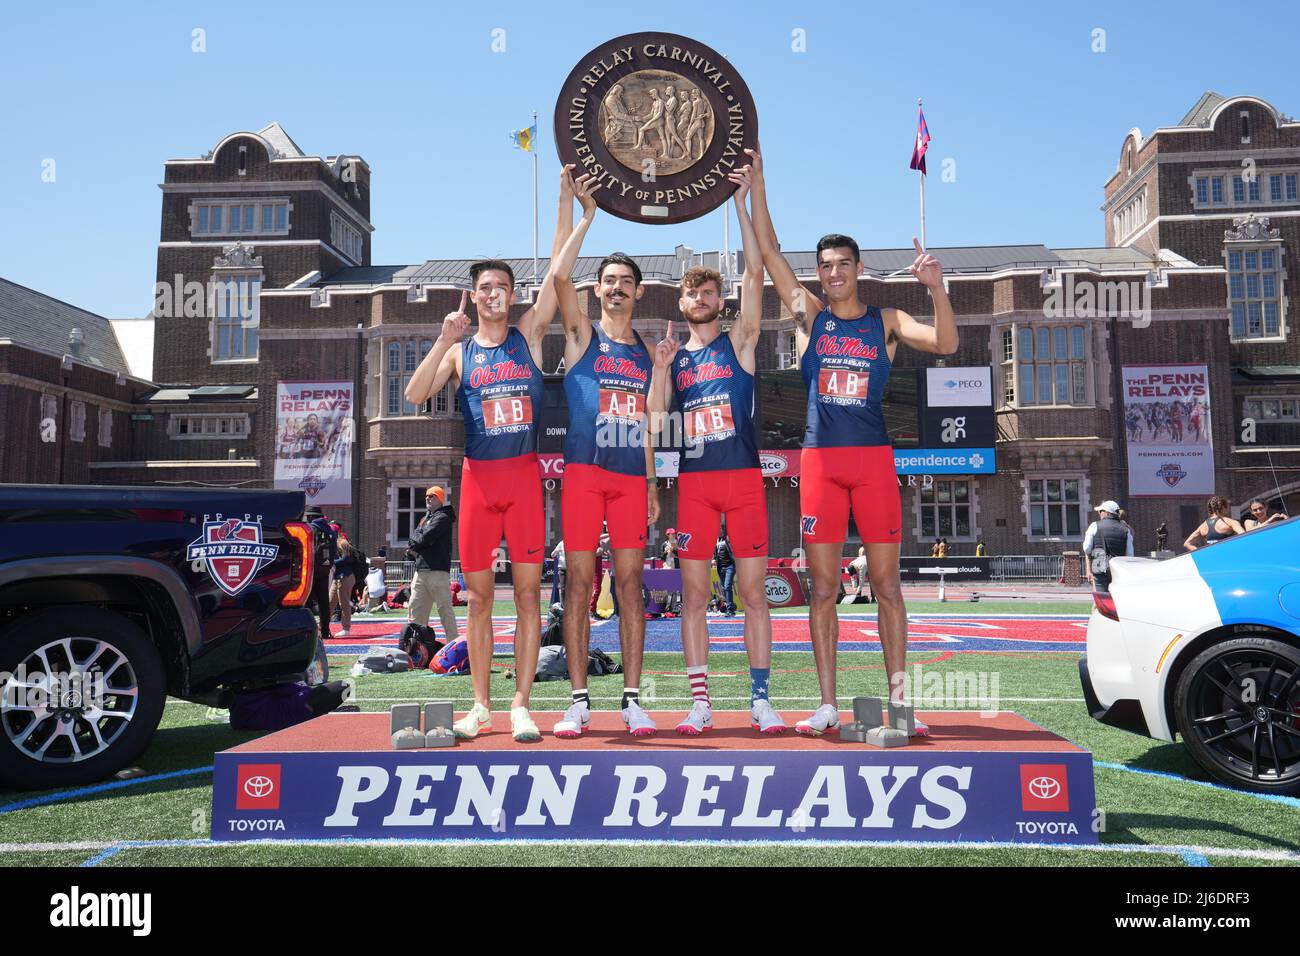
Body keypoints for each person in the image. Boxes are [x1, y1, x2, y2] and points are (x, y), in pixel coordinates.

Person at [748, 146, 956, 738]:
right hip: (820, 463)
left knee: (887, 586)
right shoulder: (812, 318)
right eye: (825, 265)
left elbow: (943, 344)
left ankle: (899, 704)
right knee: (824, 589)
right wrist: (759, 183)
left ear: (858, 269)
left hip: (871, 463)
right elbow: (767, 250)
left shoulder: (885, 321)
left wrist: (937, 290)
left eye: (842, 264)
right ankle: (828, 705)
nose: (832, 272)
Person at [404, 165, 598, 742]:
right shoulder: (462, 353)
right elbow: (416, 395)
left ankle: (520, 705)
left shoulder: (529, 335)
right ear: (473, 294)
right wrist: (442, 337)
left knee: (532, 596)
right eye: (485, 288)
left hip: (523, 481)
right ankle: (481, 706)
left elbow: (559, 270)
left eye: (502, 288)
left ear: (512, 296)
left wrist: (578, 211)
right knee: (482, 600)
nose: (494, 295)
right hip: (479, 484)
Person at [647, 162, 783, 736]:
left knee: (754, 594)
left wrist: (739, 201)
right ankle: (700, 703)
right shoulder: (672, 358)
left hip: (744, 480)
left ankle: (759, 700)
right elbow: (654, 419)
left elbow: (756, 271)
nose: (699, 297)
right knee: (695, 595)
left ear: (718, 300)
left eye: (707, 291)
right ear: (681, 302)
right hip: (696, 486)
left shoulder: (741, 342)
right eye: (691, 291)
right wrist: (658, 369)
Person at [551, 215, 660, 741]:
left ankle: (633, 700)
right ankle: (578, 701)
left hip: (629, 481)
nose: (616, 289)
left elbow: (647, 426)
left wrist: (654, 483)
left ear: (638, 292)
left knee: (631, 586)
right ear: (597, 290)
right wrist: (582, 217)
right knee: (578, 585)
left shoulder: (645, 352)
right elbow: (556, 279)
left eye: (625, 282)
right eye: (608, 281)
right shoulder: (581, 335)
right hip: (583, 474)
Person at [406, 486, 459, 641]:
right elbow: (414, 540)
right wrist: (419, 537)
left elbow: (422, 538)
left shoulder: (443, 517)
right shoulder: (426, 518)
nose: (428, 498)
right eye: (427, 496)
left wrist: (418, 537)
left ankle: (452, 643)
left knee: (444, 609)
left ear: (440, 499)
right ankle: (417, 645)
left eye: (433, 496)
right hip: (420, 570)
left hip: (437, 570)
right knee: (415, 609)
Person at [1082, 500, 1134, 591]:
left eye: (1100, 511)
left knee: (1102, 598)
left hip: (1099, 565)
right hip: (1117, 568)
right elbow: (1130, 554)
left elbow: (1087, 548)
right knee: (1115, 598)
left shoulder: (1094, 525)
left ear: (1106, 513)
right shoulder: (1126, 530)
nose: (1099, 514)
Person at [304, 506, 336, 637]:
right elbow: (333, 551)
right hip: (325, 569)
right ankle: (325, 630)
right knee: (323, 601)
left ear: (311, 517)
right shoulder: (330, 530)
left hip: (311, 569)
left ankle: (309, 630)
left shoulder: (310, 529)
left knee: (308, 601)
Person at [329, 534, 358, 637]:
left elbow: (346, 559)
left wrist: (331, 562)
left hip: (345, 577)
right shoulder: (335, 544)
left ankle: (346, 629)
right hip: (338, 577)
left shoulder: (342, 543)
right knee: (330, 602)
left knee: (344, 604)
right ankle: (323, 627)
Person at [714, 530, 737, 617]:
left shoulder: (728, 539)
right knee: (723, 588)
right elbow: (715, 553)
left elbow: (733, 550)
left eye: (720, 530)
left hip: (729, 566)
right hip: (720, 567)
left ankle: (731, 610)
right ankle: (727, 607)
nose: (718, 531)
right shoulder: (716, 540)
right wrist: (714, 559)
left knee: (727, 586)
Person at [362, 547, 387, 613]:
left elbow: (368, 586)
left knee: (370, 610)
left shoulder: (365, 574)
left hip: (374, 592)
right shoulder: (380, 571)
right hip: (383, 590)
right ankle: (379, 606)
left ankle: (380, 606)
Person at [549, 539, 566, 607]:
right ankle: (563, 606)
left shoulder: (575, 543)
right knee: (563, 588)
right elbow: (552, 555)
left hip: (572, 569)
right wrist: (556, 551)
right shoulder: (561, 543)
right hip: (562, 568)